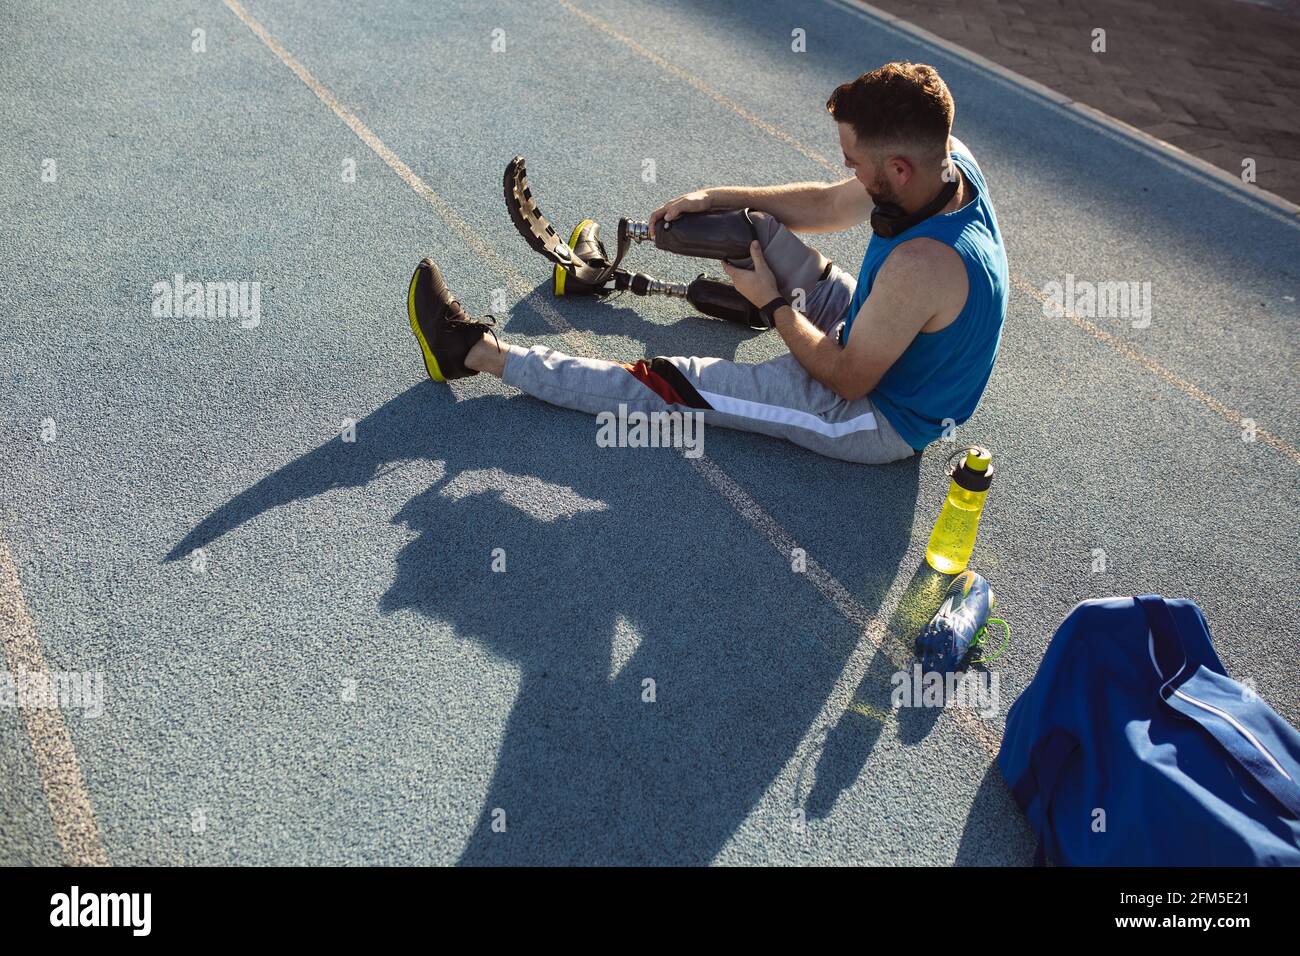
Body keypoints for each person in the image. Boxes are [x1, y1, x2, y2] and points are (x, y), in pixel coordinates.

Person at [407, 61, 1008, 464]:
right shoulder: (946, 160)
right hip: (876, 322)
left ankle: (469, 352)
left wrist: (772, 303)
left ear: (898, 169)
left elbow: (848, 377)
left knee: (667, 384)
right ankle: (610, 263)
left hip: (872, 412)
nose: (847, 169)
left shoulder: (924, 265)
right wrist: (718, 198)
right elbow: (826, 204)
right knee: (752, 230)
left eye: (853, 161)